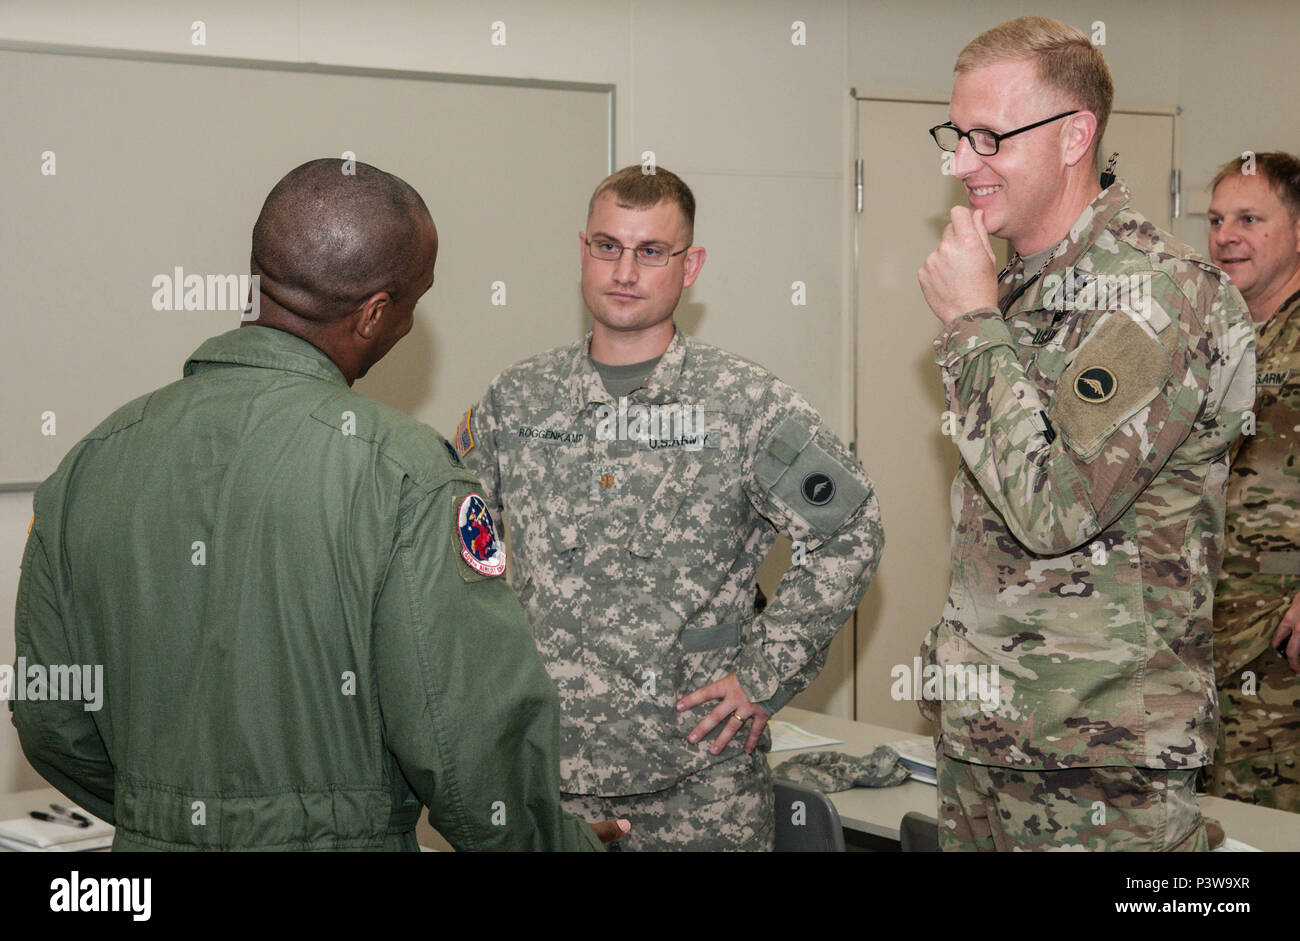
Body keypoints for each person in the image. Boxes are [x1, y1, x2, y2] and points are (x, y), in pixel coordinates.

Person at [11, 158, 622, 851]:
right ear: (372, 313)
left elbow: (48, 715)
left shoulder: (92, 462)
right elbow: (469, 747)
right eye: (413, 304)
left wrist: (167, 812)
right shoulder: (405, 474)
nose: (409, 328)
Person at [456, 165, 883, 850]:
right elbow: (458, 549)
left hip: (697, 785)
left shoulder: (743, 404)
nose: (625, 270)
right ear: (584, 251)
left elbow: (851, 529)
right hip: (550, 778)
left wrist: (762, 675)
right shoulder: (519, 399)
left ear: (691, 267)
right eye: (607, 246)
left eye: (651, 251)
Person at [916, 17, 1255, 851]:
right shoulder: (1015, 291)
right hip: (986, 743)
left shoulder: (1162, 296)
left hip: (1100, 766)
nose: (961, 164)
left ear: (1076, 136)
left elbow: (1055, 507)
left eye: (989, 137)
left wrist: (969, 324)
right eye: (956, 137)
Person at [1205, 151, 1300, 812]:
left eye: (1248, 218)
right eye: (1214, 219)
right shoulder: (1217, 334)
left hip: (1281, 650)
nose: (1225, 235)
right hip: (1207, 641)